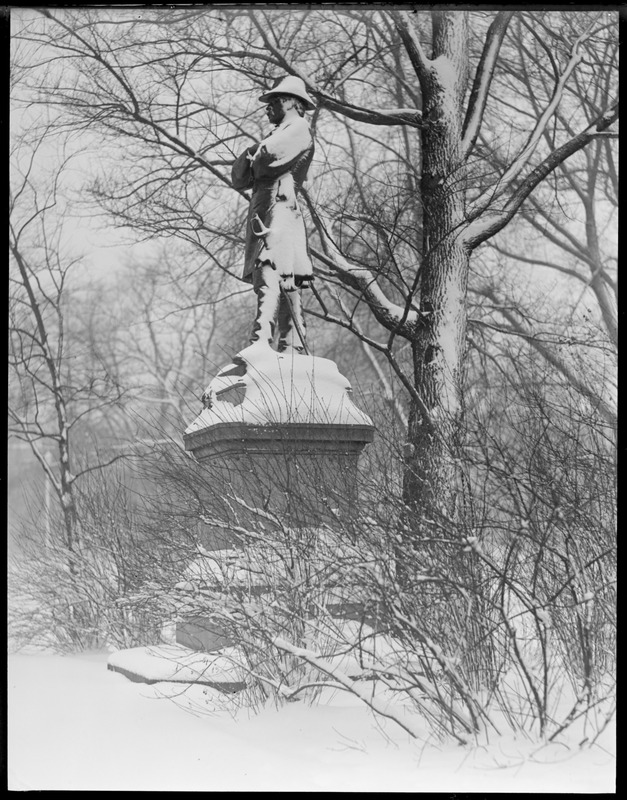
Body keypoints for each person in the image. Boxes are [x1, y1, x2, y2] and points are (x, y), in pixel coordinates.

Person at [231, 75, 316, 354]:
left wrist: (256, 155)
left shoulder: (299, 129)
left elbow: (266, 162)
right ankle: (289, 345)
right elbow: (240, 177)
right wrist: (254, 153)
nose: (268, 107)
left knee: (273, 279)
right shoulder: (278, 134)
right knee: (276, 281)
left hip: (278, 216)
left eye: (274, 101)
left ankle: (262, 343)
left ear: (291, 103)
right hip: (265, 215)